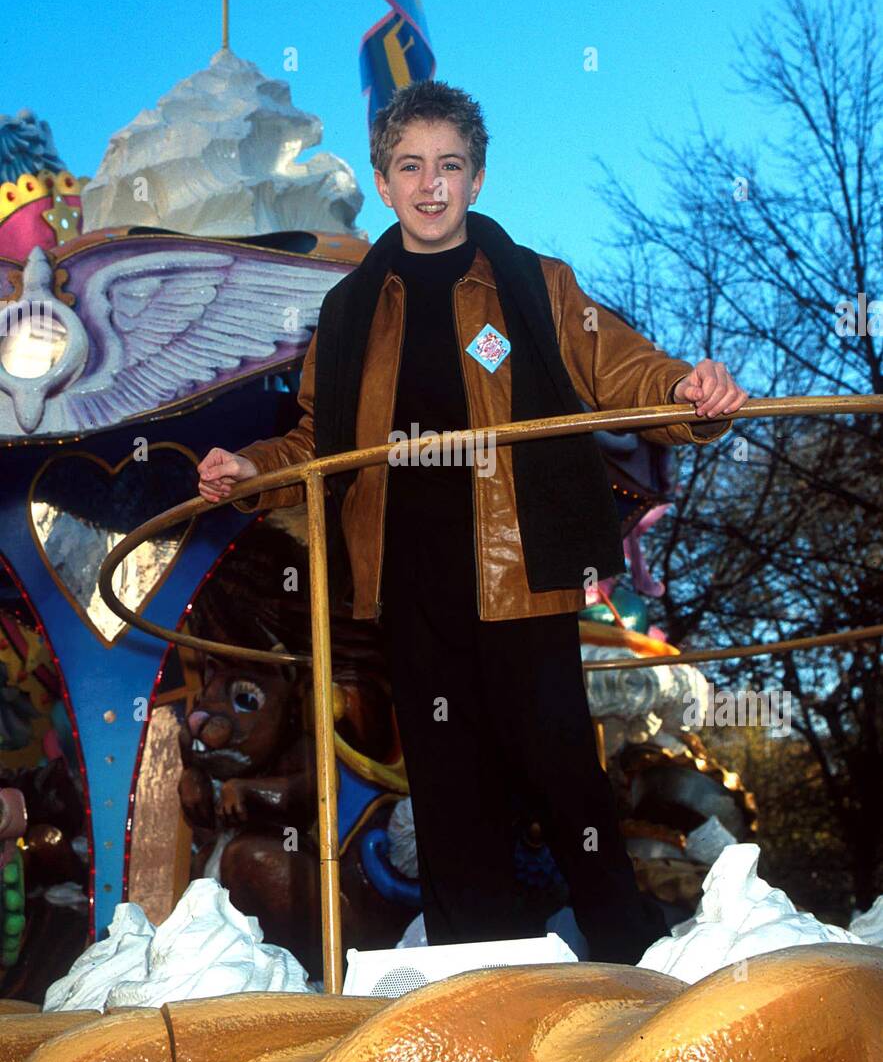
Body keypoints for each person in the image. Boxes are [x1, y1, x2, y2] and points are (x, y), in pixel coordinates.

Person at [197, 80, 748, 963]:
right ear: (383, 181)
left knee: (564, 775)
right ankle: (476, 974)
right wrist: (250, 468)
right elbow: (313, 437)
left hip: (520, 573)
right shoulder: (348, 314)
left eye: (448, 165)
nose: (430, 185)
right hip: (411, 586)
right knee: (450, 790)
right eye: (410, 166)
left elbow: (622, 367)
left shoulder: (533, 283)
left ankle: (629, 966)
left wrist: (686, 390)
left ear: (477, 178)